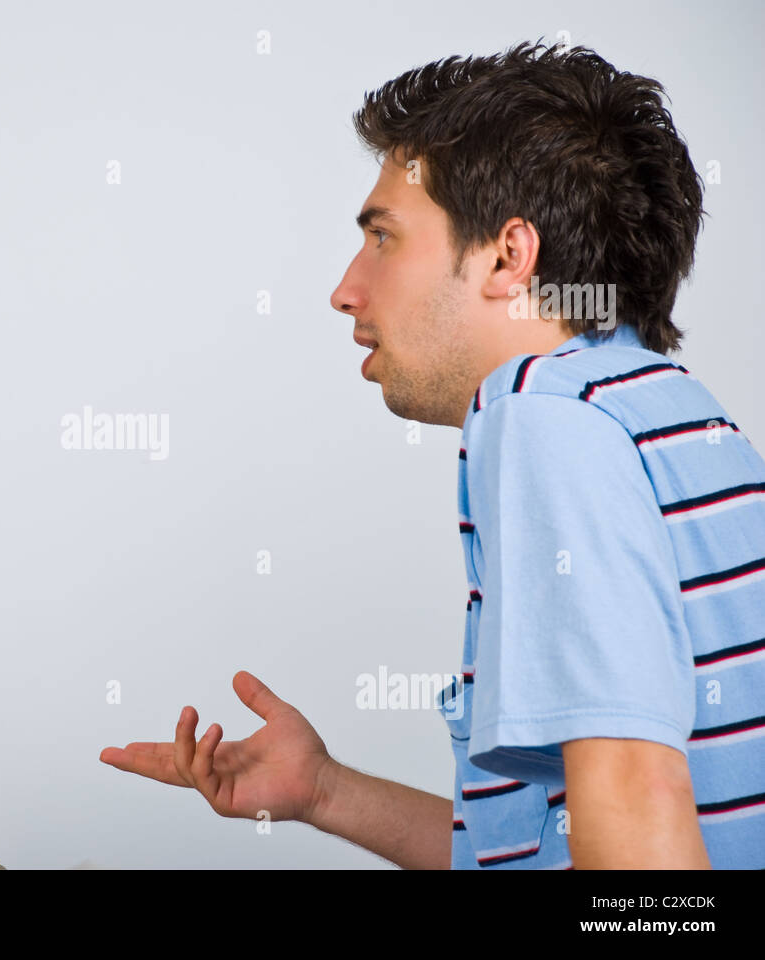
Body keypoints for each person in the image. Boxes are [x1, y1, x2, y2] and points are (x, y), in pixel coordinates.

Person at [101, 41, 765, 868]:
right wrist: (324, 792)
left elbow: (637, 812)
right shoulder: (685, 421)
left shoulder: (539, 416)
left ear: (506, 257)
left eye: (383, 238)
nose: (346, 288)